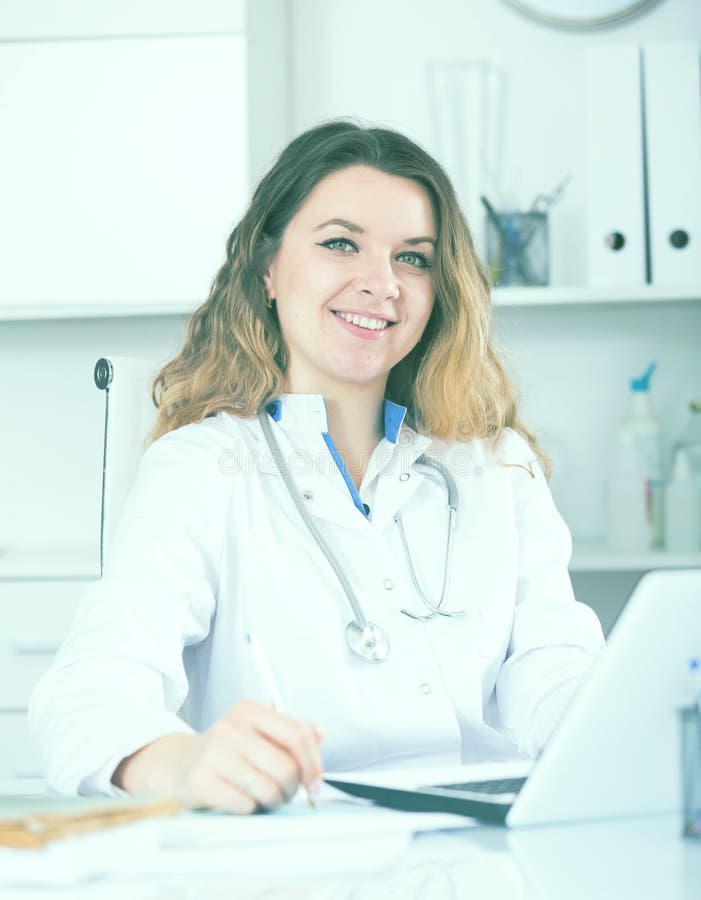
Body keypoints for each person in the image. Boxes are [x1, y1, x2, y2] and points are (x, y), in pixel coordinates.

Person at [29, 118, 605, 814]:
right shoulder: (202, 469)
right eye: (340, 244)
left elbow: (552, 666)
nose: (383, 284)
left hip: (488, 839)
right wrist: (181, 760)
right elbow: (86, 695)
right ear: (268, 269)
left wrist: (615, 727)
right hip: (300, 843)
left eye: (413, 259)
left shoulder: (497, 465)